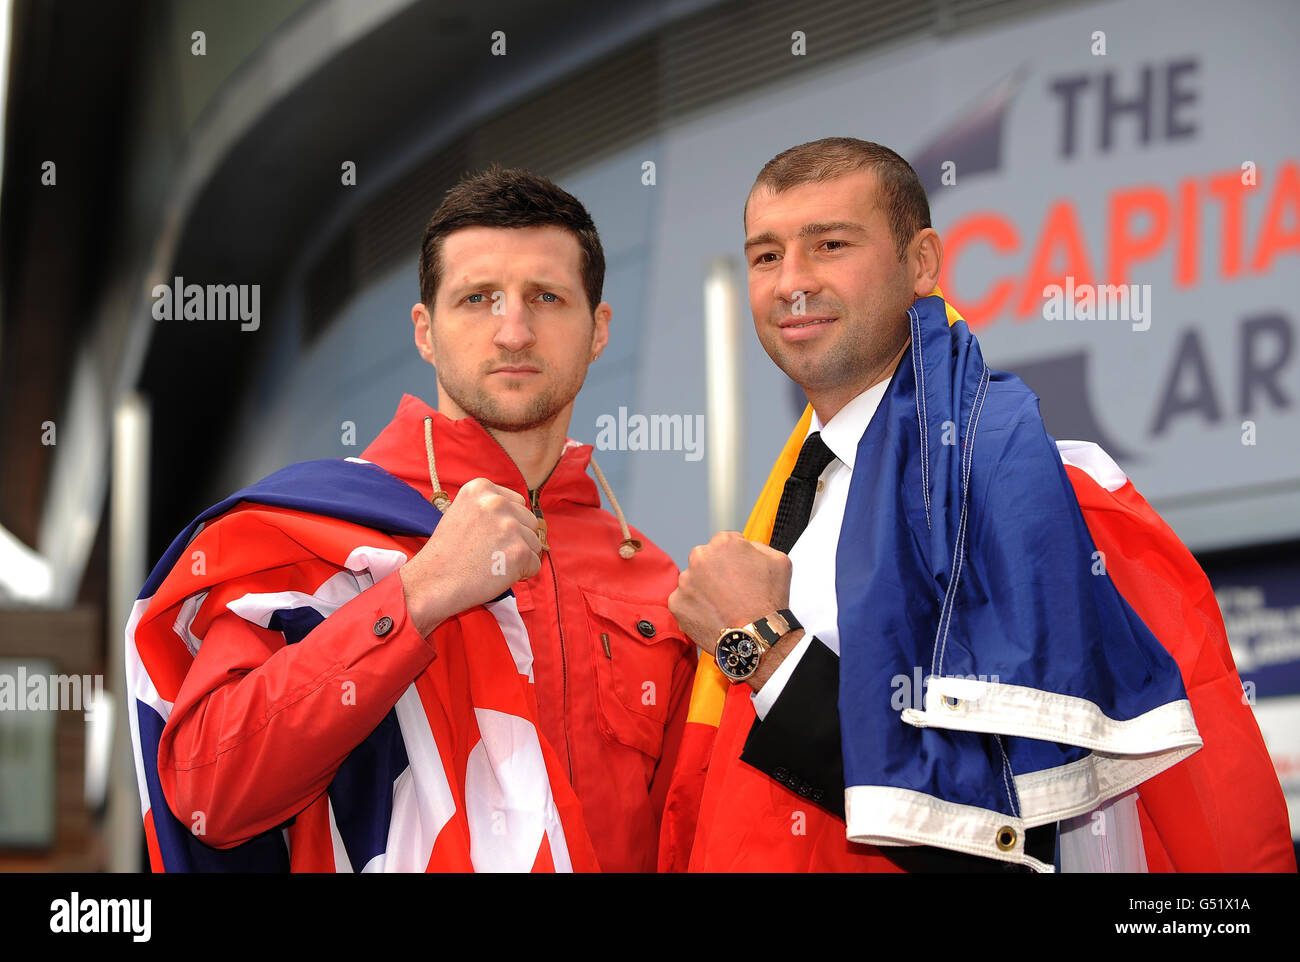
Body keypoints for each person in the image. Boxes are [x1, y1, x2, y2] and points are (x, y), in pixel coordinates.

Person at [658, 138, 1295, 873]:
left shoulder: (1039, 486)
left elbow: (1006, 838)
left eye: (830, 245)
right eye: (766, 256)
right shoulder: (794, 498)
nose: (791, 282)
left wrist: (762, 649)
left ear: (921, 262)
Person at [126, 166, 695, 872]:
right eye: (477, 298)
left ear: (599, 329)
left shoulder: (650, 575)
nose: (512, 330)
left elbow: (686, 833)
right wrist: (418, 594)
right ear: (424, 331)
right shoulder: (316, 529)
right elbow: (211, 790)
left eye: (546, 297)